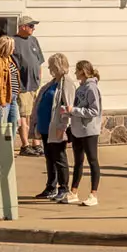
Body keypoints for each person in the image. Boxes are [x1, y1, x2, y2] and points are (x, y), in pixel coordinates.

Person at [62, 59, 103, 207]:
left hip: (89, 130)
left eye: (77, 70)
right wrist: (68, 112)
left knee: (92, 160)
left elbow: (94, 110)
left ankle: (93, 193)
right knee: (78, 161)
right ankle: (74, 191)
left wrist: (74, 110)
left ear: (83, 71)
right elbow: (76, 106)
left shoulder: (92, 88)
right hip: (77, 130)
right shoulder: (80, 89)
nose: (75, 73)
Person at [33, 52, 72, 201]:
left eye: (51, 65)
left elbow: (68, 105)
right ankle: (51, 186)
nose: (49, 68)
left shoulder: (66, 82)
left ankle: (64, 188)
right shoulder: (52, 82)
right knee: (49, 158)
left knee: (59, 157)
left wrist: (63, 126)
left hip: (56, 127)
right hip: (45, 127)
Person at [16, 18, 45, 155]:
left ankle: (36, 143)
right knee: (24, 115)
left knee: (35, 114)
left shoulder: (34, 41)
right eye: (31, 26)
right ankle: (25, 144)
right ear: (22, 27)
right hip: (22, 85)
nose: (34, 28)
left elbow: (39, 61)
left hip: (35, 85)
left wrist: (39, 77)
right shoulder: (14, 42)